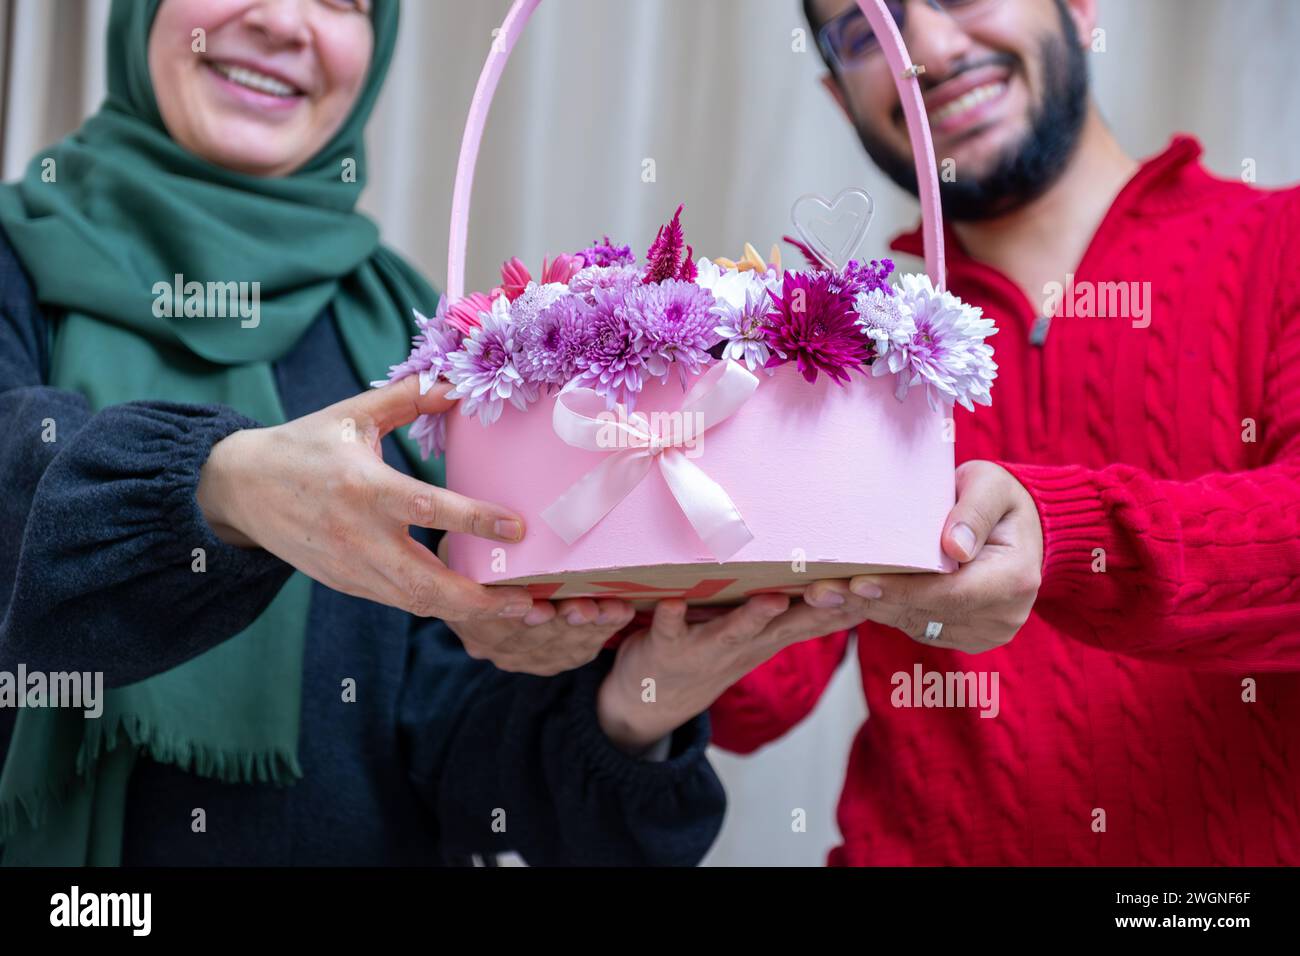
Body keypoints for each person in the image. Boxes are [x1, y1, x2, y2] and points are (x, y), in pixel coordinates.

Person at [0, 0, 866, 866]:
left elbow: (454, 744)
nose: (285, 23)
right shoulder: (16, 254)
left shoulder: (408, 334)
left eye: (341, 0)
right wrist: (221, 488)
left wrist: (639, 704)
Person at [710, 0, 1300, 865]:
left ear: (1081, 7)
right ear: (840, 99)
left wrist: (1064, 534)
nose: (931, 52)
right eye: (870, 33)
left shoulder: (1282, 245)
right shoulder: (849, 355)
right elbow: (756, 700)